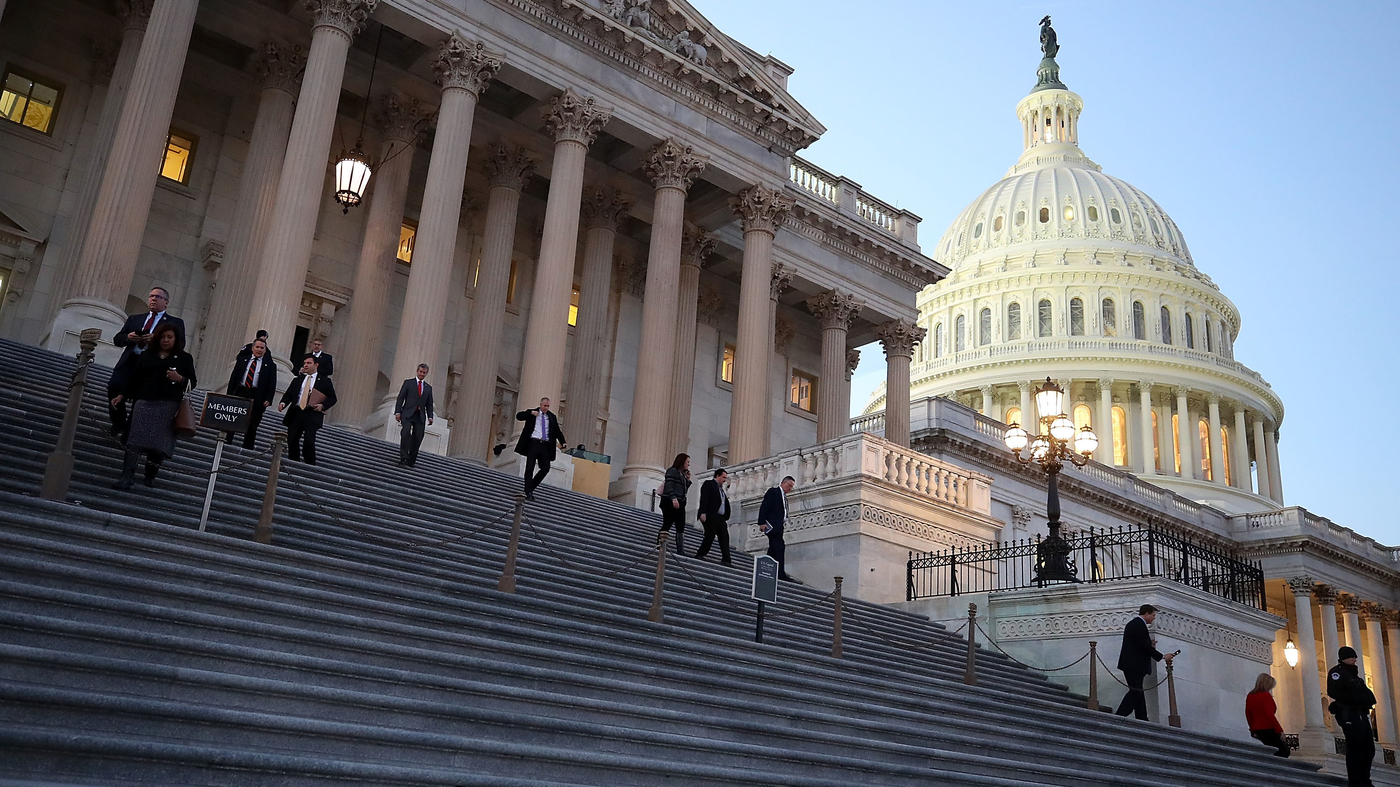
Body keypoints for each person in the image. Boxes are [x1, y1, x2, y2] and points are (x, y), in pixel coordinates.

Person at [110, 322, 196, 490]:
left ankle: (150, 474)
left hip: (168, 404)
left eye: (169, 337)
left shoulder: (184, 358)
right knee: (134, 440)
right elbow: (134, 378)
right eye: (162, 337)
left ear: (176, 339)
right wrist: (122, 395)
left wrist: (180, 379)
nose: (165, 340)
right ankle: (127, 476)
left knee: (158, 443)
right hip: (144, 401)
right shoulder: (147, 355)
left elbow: (192, 383)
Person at [107, 286, 185, 443]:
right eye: (151, 296)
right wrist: (128, 337)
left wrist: (157, 341)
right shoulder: (135, 318)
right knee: (114, 386)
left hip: (152, 365)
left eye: (157, 297)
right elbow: (117, 339)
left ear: (166, 302)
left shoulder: (175, 322)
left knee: (139, 400)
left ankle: (128, 436)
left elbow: (180, 345)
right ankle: (119, 422)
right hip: (130, 361)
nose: (153, 299)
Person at [1115, 604, 1173, 721]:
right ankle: (1118, 716)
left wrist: (1149, 645)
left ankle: (1142, 718)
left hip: (1132, 664)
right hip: (1134, 665)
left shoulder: (1136, 624)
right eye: (1153, 615)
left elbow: (1139, 644)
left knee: (1138, 691)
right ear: (1146, 614)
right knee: (1136, 691)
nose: (1154, 618)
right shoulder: (1138, 625)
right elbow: (1144, 646)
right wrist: (1162, 656)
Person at [1329, 646, 1377, 786]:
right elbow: (1335, 692)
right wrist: (1356, 699)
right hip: (1349, 714)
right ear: (1345, 658)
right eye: (1352, 657)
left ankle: (1365, 779)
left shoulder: (1355, 676)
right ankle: (1356, 781)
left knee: (1368, 748)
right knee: (1355, 747)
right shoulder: (1337, 673)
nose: (1355, 659)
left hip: (1361, 714)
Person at [278, 355, 336, 464]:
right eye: (304, 363)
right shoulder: (298, 379)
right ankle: (294, 461)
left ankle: (310, 463)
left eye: (309, 363)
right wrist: (283, 403)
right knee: (292, 439)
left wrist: (322, 406)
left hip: (312, 414)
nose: (305, 365)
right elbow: (289, 394)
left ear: (316, 365)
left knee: (309, 441)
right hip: (296, 412)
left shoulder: (324, 381)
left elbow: (332, 398)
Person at [226, 336, 277, 450]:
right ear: (252, 348)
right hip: (240, 392)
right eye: (257, 347)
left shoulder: (270, 366)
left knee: (253, 424)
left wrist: (269, 399)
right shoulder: (242, 360)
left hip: (257, 395)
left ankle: (248, 446)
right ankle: (227, 441)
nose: (259, 350)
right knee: (233, 418)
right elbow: (234, 378)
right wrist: (229, 394)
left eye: (262, 348)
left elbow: (271, 384)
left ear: (265, 350)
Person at [514, 397, 566, 500]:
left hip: (545, 445)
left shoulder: (551, 417)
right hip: (533, 443)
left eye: (548, 406)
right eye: (545, 406)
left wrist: (563, 441)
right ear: (540, 405)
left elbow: (557, 431)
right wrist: (530, 413)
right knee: (530, 467)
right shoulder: (532, 412)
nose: (546, 408)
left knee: (545, 468)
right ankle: (528, 492)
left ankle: (530, 488)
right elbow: (519, 416)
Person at [394, 363, 434, 467]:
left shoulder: (428, 388)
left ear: (426, 373)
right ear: (417, 371)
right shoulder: (408, 383)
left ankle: (411, 460)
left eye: (424, 373)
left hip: (419, 416)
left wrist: (430, 416)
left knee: (418, 437)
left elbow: (429, 404)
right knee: (406, 432)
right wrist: (397, 412)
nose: (422, 374)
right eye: (420, 372)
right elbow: (401, 398)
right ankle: (403, 458)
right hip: (407, 413)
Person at [758, 475, 796, 581]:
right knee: (779, 547)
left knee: (773, 549)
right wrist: (761, 522)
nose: (790, 488)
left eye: (791, 487)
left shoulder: (784, 497)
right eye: (789, 485)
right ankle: (780, 573)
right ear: (783, 483)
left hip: (779, 526)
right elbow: (765, 506)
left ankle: (766, 567)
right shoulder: (773, 492)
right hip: (771, 525)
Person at [1245, 673, 1290, 758]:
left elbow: (1248, 714)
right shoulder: (1266, 696)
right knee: (1284, 751)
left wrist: (1252, 729)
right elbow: (1270, 715)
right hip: (1268, 729)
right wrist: (1280, 730)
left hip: (1257, 730)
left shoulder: (1250, 696)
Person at [695, 467, 732, 565]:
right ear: (718, 476)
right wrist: (703, 512)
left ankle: (726, 559)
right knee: (710, 535)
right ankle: (700, 553)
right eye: (723, 477)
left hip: (721, 518)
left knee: (724, 537)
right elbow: (704, 498)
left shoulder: (722, 490)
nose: (725, 480)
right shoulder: (709, 484)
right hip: (711, 515)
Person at [658, 453, 691, 554]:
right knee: (667, 523)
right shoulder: (672, 471)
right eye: (687, 462)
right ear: (682, 461)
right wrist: (673, 498)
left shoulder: (681, 474)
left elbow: (683, 490)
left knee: (680, 525)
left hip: (680, 503)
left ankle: (680, 549)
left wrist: (688, 480)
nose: (688, 464)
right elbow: (669, 486)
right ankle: (659, 544)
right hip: (670, 502)